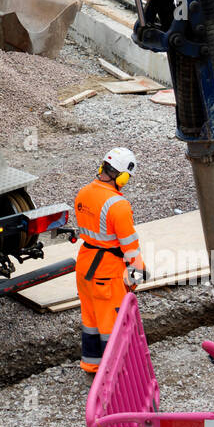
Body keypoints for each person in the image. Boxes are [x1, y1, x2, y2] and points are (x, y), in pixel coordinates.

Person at [72, 148, 146, 373]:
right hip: (108, 272)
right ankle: (117, 371)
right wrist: (138, 273)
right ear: (122, 176)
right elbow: (130, 248)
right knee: (111, 324)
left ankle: (92, 364)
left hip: (85, 265)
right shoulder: (118, 205)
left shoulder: (83, 193)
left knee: (91, 319)